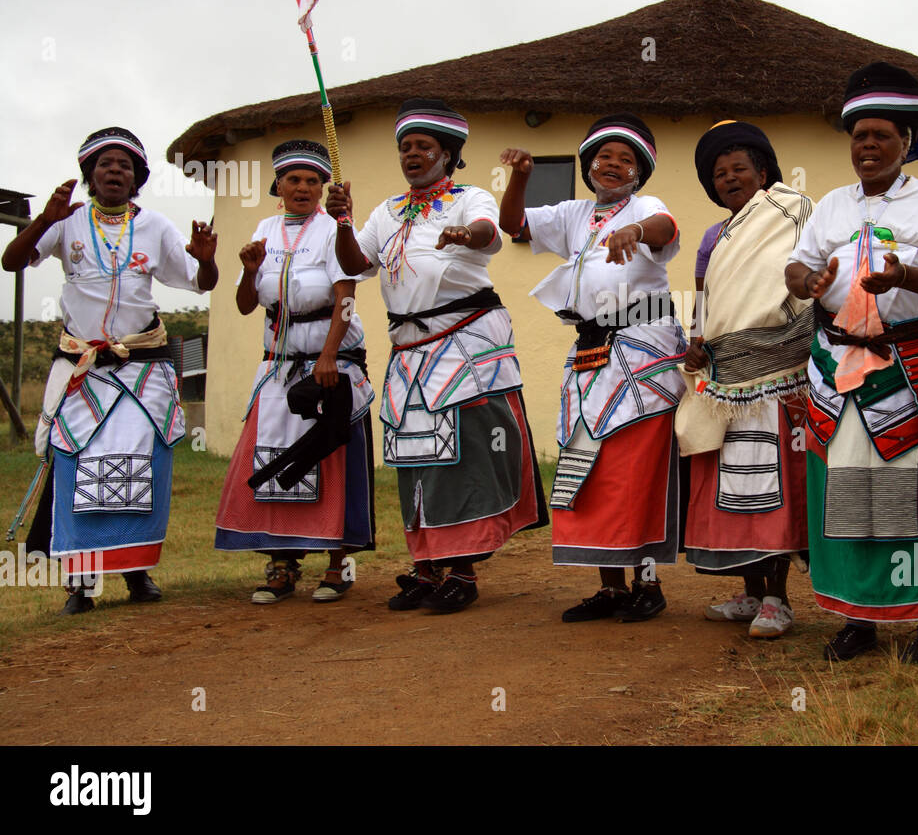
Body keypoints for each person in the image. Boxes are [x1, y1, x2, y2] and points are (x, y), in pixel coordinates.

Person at [784, 63, 918, 664]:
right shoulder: (830, 206)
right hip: (839, 364)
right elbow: (795, 268)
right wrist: (811, 280)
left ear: (907, 142)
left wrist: (903, 274)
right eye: (859, 136)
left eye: (882, 135)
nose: (868, 146)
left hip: (916, 365)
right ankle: (861, 618)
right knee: (851, 487)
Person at [327, 98, 547, 613]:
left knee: (462, 453)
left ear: (448, 154)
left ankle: (463, 570)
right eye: (406, 147)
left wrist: (462, 233)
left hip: (466, 339)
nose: (413, 154)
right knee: (414, 453)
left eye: (424, 146)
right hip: (408, 349)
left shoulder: (469, 198)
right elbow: (357, 263)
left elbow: (490, 235)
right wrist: (341, 222)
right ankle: (425, 568)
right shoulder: (386, 211)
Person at [3, 127, 218, 614]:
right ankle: (80, 584)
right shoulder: (67, 222)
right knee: (78, 467)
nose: (115, 171)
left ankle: (137, 573)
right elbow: (12, 261)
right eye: (105, 164)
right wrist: (43, 221)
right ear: (89, 175)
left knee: (141, 466)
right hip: (84, 368)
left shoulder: (157, 227)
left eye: (125, 164)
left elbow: (200, 283)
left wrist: (208, 262)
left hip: (142, 369)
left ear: (138, 176)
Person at [499, 114, 687, 623]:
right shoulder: (573, 214)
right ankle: (609, 587)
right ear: (587, 165)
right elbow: (513, 225)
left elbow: (667, 228)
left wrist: (635, 229)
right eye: (604, 156)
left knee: (635, 468)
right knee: (587, 464)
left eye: (626, 160)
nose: (613, 165)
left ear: (640, 173)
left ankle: (648, 585)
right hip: (589, 350)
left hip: (641, 348)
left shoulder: (645, 207)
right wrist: (519, 177)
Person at [214, 140, 375, 603]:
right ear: (278, 186)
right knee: (273, 457)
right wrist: (249, 271)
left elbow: (346, 294)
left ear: (324, 188)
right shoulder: (265, 228)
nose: (302, 188)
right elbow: (248, 306)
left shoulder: (334, 230)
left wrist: (329, 356)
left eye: (312, 181)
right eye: (293, 180)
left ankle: (338, 564)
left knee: (331, 460)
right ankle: (281, 564)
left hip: (329, 360)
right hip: (278, 365)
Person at [678, 121, 812, 638]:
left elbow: (810, 279)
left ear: (764, 172)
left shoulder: (793, 211)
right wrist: (695, 342)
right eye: (719, 173)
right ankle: (751, 593)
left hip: (778, 372)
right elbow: (706, 302)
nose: (729, 179)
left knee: (769, 485)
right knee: (735, 491)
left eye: (739, 169)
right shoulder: (715, 237)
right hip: (723, 377)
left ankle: (778, 600)